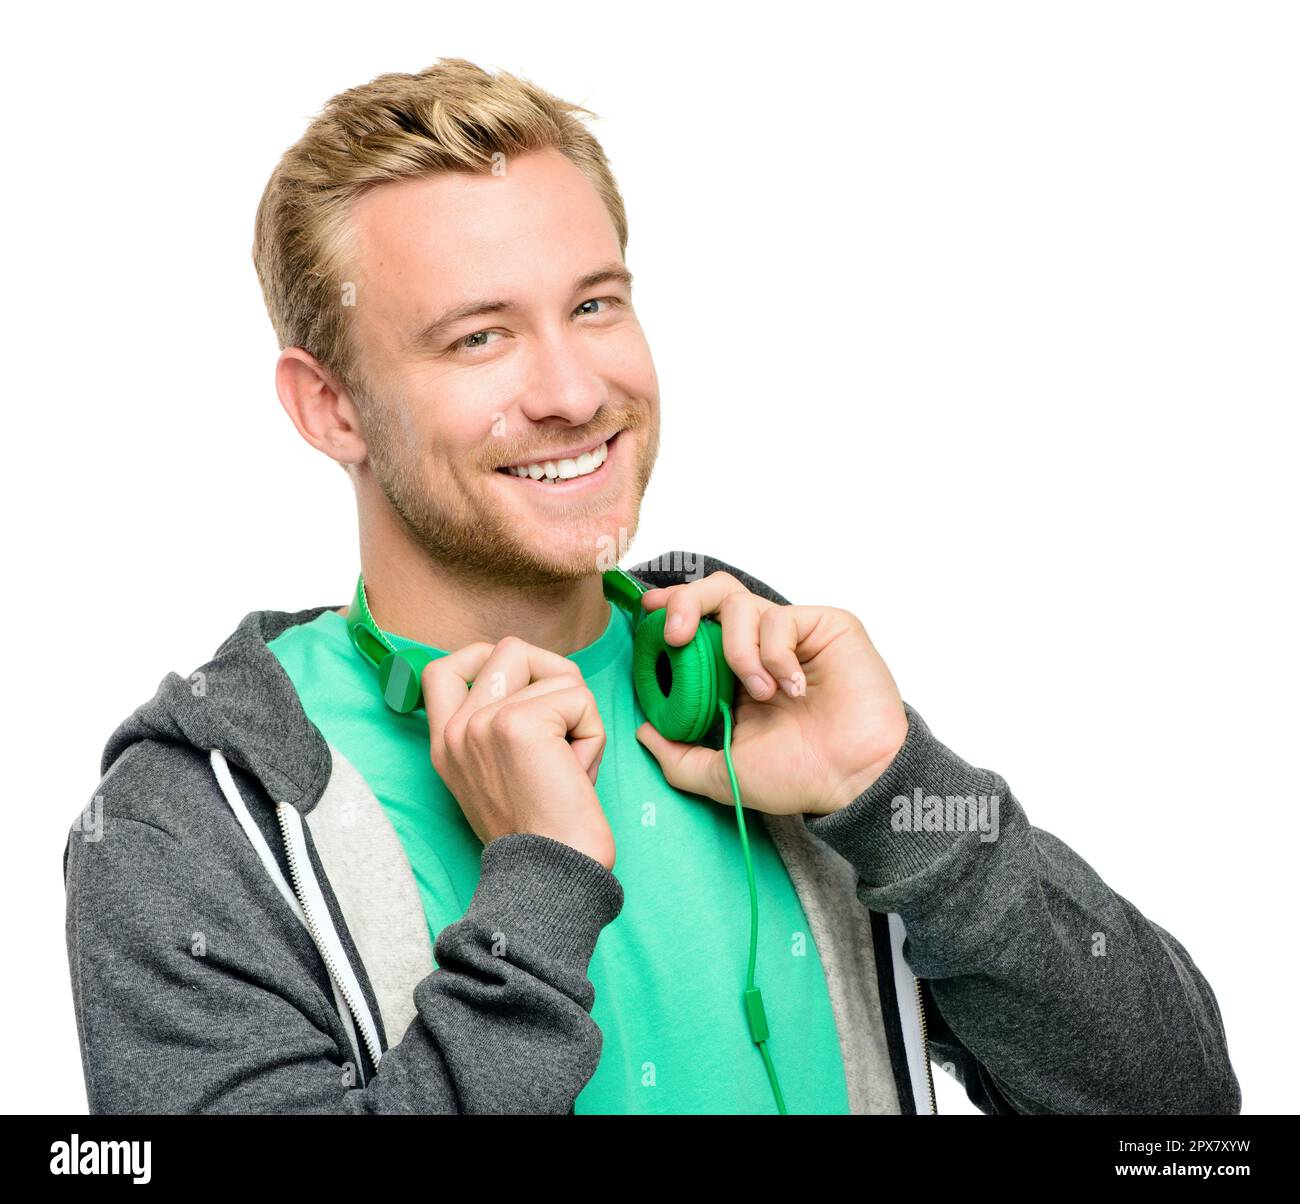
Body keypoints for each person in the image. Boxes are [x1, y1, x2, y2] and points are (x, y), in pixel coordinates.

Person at [63, 57, 1240, 1115]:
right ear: (330, 407)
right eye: (480, 337)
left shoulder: (754, 682)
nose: (575, 391)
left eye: (593, 304)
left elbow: (1182, 1114)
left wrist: (897, 791)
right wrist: (539, 897)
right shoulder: (191, 820)